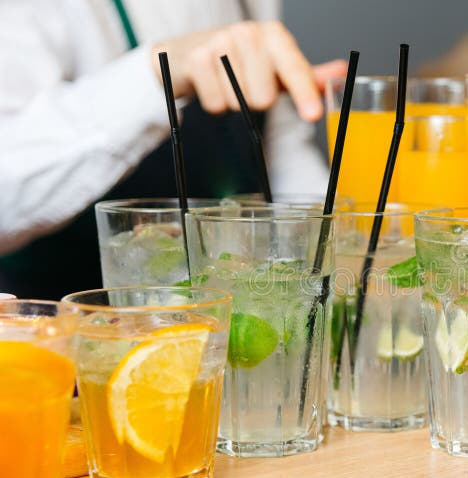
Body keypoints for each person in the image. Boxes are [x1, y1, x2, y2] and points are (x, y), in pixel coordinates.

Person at [0, 1, 346, 298]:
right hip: (53, 345)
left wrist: (349, 243)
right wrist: (155, 73)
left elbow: (283, 155)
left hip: (225, 333)